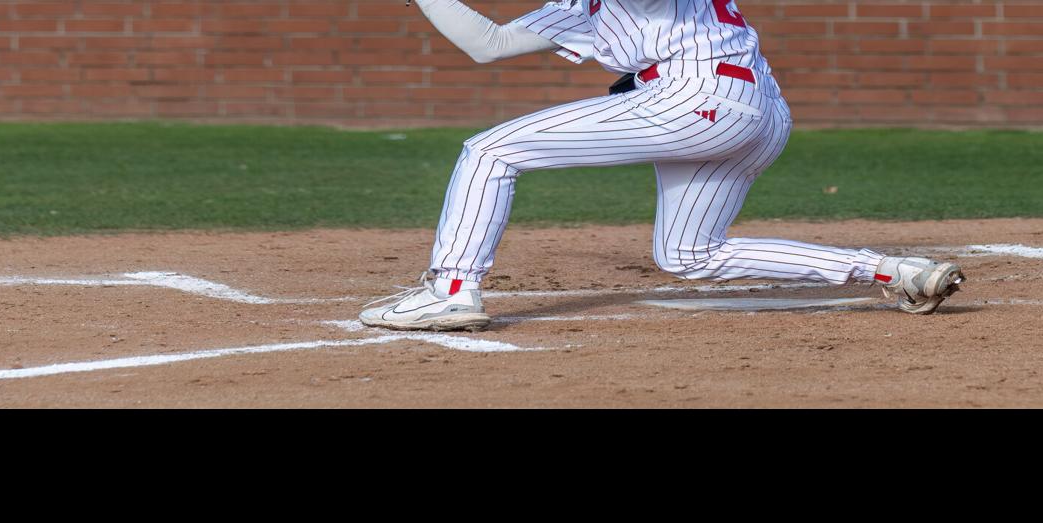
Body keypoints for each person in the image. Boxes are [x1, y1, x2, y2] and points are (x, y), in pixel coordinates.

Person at [360, 0, 964, 332]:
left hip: (699, 97)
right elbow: (488, 43)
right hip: (747, 108)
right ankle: (895, 271)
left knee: (490, 151)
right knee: (691, 256)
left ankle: (453, 292)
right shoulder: (586, 9)